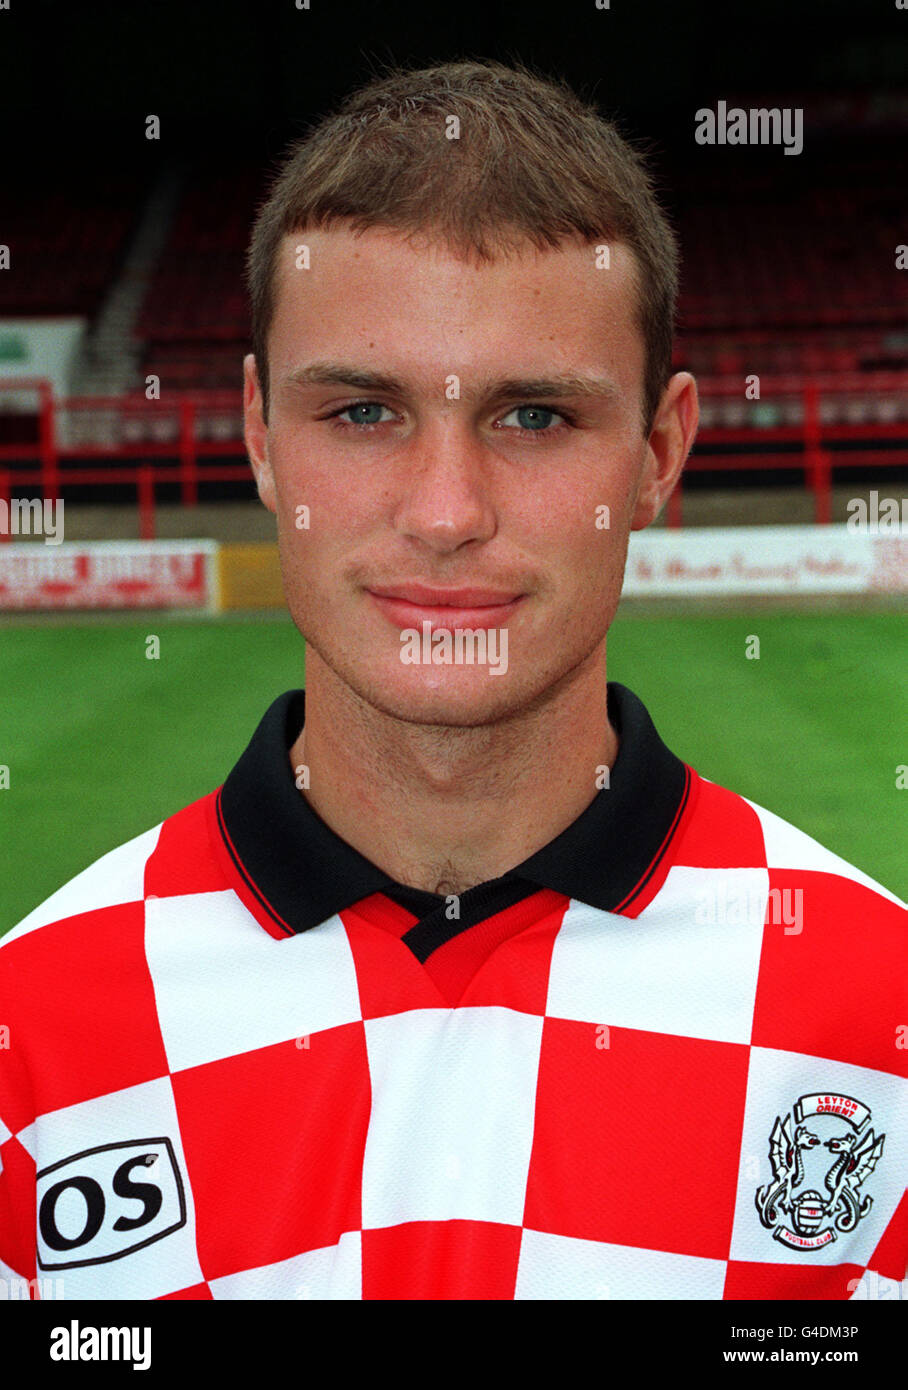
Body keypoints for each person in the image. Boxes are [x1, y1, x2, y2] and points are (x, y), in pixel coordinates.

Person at [0, 59, 904, 1302]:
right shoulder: (31, 1031)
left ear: (657, 451)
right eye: (364, 411)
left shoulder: (875, 1017)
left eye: (532, 416)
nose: (444, 513)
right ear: (259, 435)